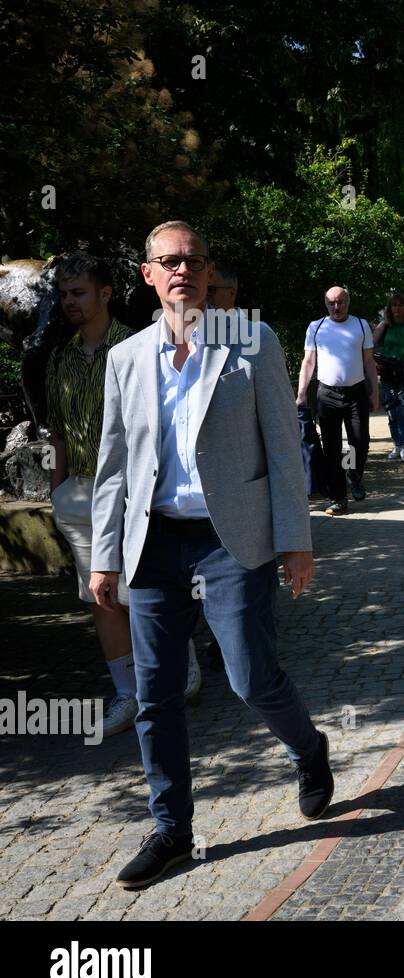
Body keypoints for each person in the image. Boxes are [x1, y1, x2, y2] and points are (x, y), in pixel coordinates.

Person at [90, 220, 332, 890]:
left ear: (208, 270)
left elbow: (285, 449)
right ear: (147, 275)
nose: (182, 271)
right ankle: (172, 828)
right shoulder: (126, 359)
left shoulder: (251, 343)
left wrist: (297, 540)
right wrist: (104, 555)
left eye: (194, 261)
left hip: (232, 540)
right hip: (154, 543)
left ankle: (309, 749)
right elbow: (112, 469)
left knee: (252, 676)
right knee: (154, 694)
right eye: (168, 261)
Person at [45, 254, 199, 737]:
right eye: (64, 294)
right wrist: (58, 493)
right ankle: (128, 692)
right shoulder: (60, 357)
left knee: (148, 587)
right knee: (102, 595)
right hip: (79, 492)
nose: (70, 302)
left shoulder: (135, 347)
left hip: (134, 491)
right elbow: (58, 433)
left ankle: (181, 670)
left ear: (105, 293)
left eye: (79, 292)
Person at [296, 286, 379, 515]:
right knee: (331, 448)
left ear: (348, 302)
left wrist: (375, 393)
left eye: (340, 302)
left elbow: (369, 363)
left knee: (359, 443)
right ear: (325, 304)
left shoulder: (361, 325)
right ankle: (338, 498)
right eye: (331, 302)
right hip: (327, 395)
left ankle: (353, 473)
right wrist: (302, 393)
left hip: (356, 393)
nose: (336, 307)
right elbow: (308, 362)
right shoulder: (316, 327)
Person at [372, 292, 404, 461]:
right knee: (391, 410)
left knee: (403, 408)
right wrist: (376, 363)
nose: (397, 309)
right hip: (387, 372)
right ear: (390, 308)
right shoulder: (384, 325)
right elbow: (370, 345)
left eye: (400, 305)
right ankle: (396, 444)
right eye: (394, 305)